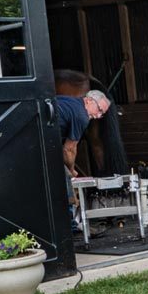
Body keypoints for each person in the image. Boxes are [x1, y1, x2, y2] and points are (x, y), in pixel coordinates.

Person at [57, 89, 111, 234]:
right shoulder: (82, 116)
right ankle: (71, 226)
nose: (98, 116)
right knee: (65, 179)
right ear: (88, 100)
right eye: (99, 110)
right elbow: (69, 148)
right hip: (39, 140)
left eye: (102, 114)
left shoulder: (71, 101)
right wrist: (72, 169)